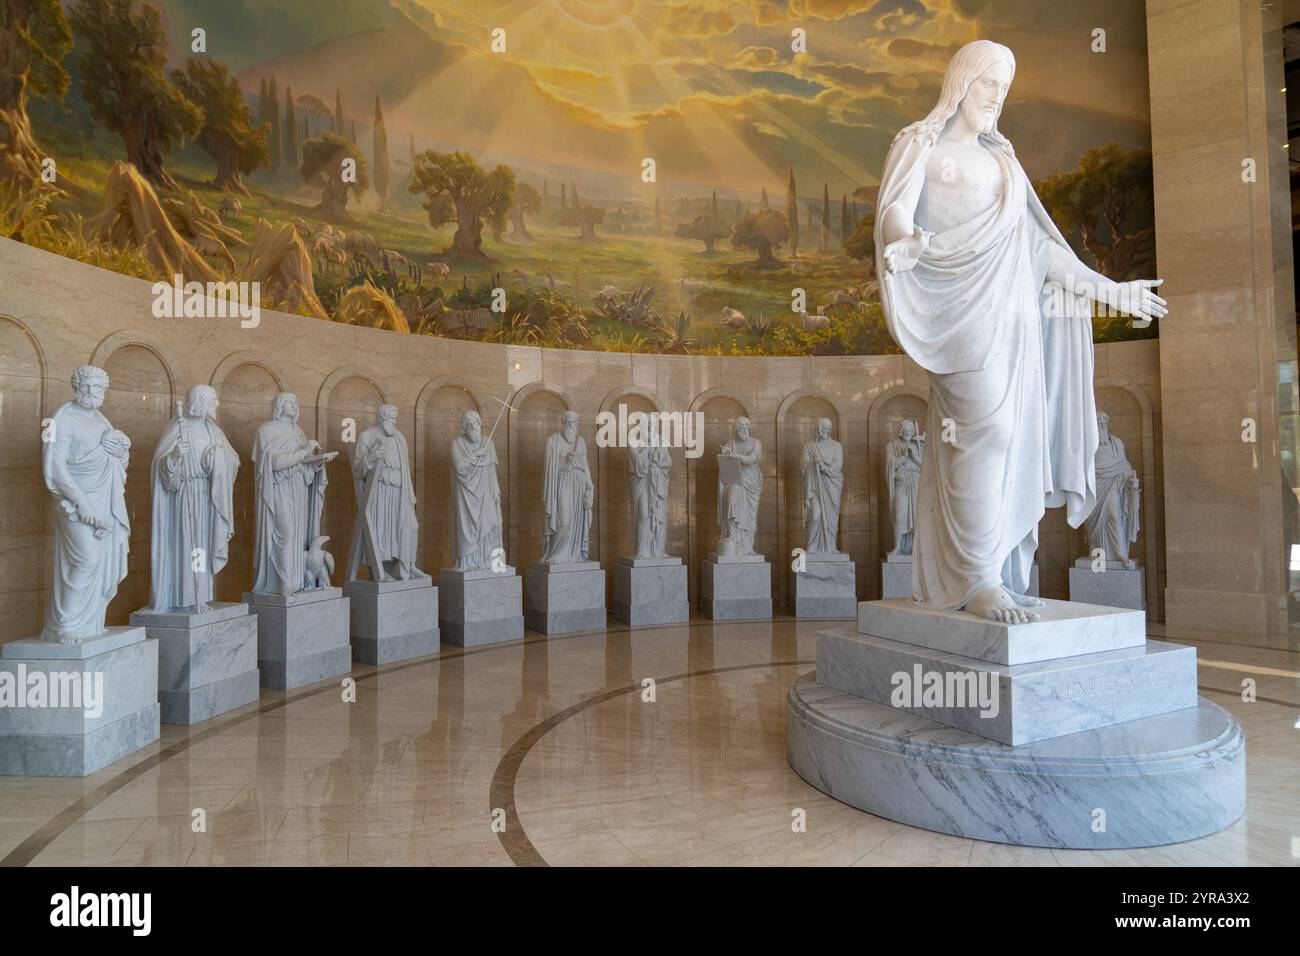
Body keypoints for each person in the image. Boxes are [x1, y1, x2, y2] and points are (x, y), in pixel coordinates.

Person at [874, 39, 1166, 622]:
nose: (998, 98)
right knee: (988, 430)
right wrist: (903, 241)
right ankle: (978, 578)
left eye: (1005, 89)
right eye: (990, 84)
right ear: (962, 81)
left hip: (1012, 320)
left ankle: (996, 571)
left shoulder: (1004, 161)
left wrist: (1112, 290)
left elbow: (1040, 250)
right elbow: (893, 211)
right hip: (957, 314)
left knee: (1013, 436)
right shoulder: (919, 143)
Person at [40, 365, 130, 642]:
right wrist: (81, 502)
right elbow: (55, 466)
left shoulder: (102, 421)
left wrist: (123, 452)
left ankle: (89, 624)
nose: (91, 392)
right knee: (85, 560)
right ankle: (65, 624)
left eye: (98, 387)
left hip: (103, 503)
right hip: (74, 503)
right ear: (76, 386)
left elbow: (113, 466)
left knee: (99, 563)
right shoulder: (61, 418)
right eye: (86, 386)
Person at [144, 384, 239, 612]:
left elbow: (234, 459)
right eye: (213, 400)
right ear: (202, 402)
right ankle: (185, 599)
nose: (217, 404)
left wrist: (219, 458)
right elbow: (162, 469)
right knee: (189, 546)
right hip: (186, 495)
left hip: (208, 496)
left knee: (203, 548)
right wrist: (175, 456)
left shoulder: (214, 431)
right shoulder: (178, 428)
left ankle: (201, 595)